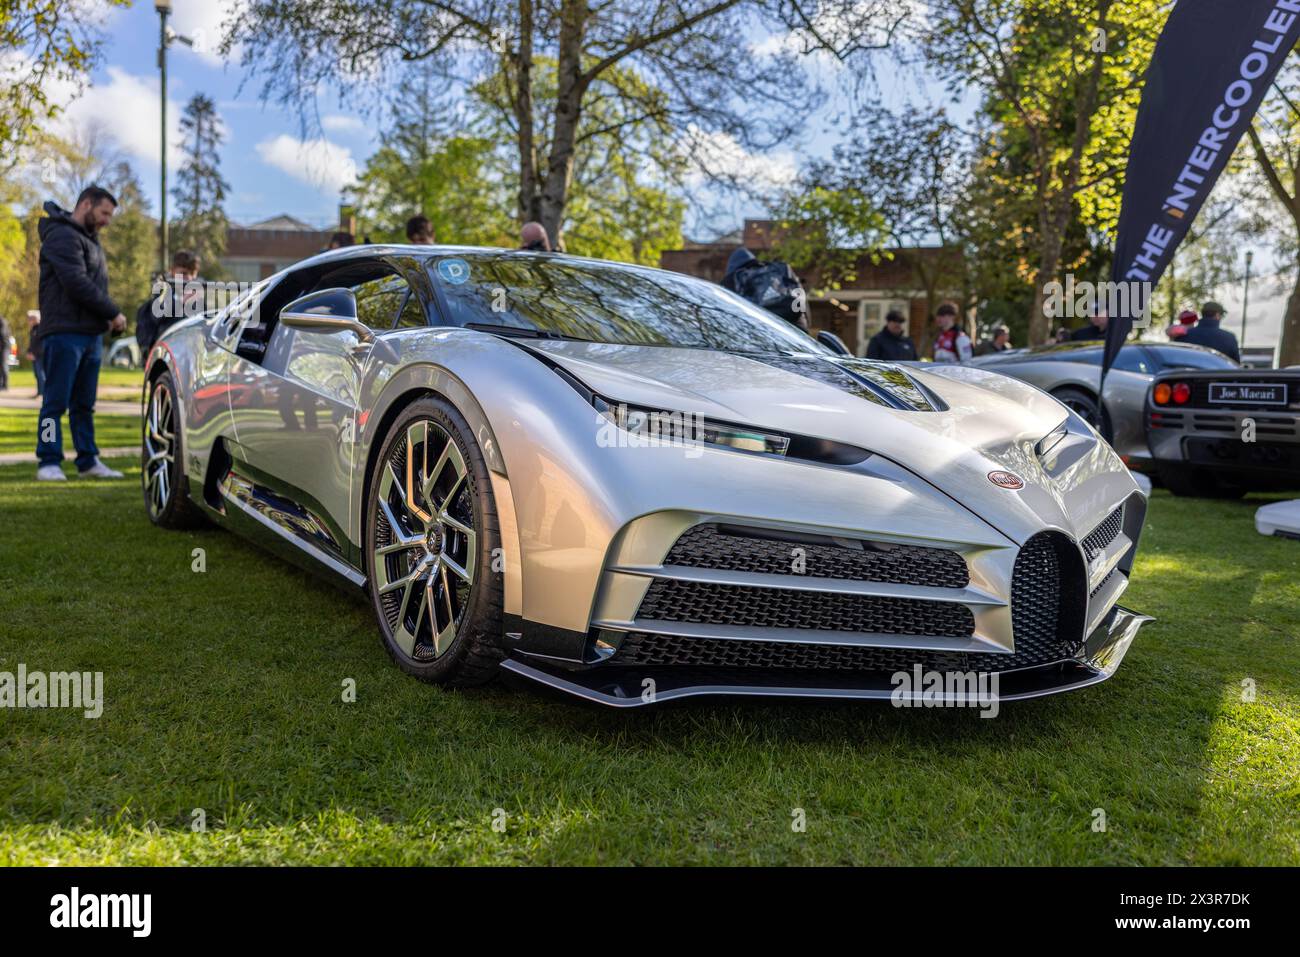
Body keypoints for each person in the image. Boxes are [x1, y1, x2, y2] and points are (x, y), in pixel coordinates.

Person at [34, 186, 126, 481]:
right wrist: (113, 312)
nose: (107, 221)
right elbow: (77, 283)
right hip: (63, 333)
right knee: (54, 403)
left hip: (90, 335)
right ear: (86, 204)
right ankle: (48, 460)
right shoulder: (61, 236)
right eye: (104, 213)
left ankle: (87, 460)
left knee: (84, 405)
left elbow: (92, 287)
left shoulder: (91, 242)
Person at [136, 250, 200, 355]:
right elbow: (157, 316)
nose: (189, 278)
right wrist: (181, 301)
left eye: (192, 273)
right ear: (173, 272)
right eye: (183, 273)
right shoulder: (163, 291)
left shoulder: (198, 297)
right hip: (165, 351)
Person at [25, 310, 44, 396]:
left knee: (41, 375)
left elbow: (41, 344)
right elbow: (32, 343)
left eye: (30, 319)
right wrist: (28, 352)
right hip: (34, 356)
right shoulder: (33, 330)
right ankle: (39, 392)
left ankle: (43, 393)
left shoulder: (41, 329)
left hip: (40, 356)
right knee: (37, 375)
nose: (28, 321)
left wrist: (35, 354)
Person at [0, 313, 10, 391]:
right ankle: (1, 384)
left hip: (4, 347)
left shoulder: (2, 322)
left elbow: (2, 335)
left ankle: (5, 385)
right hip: (2, 347)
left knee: (3, 365)